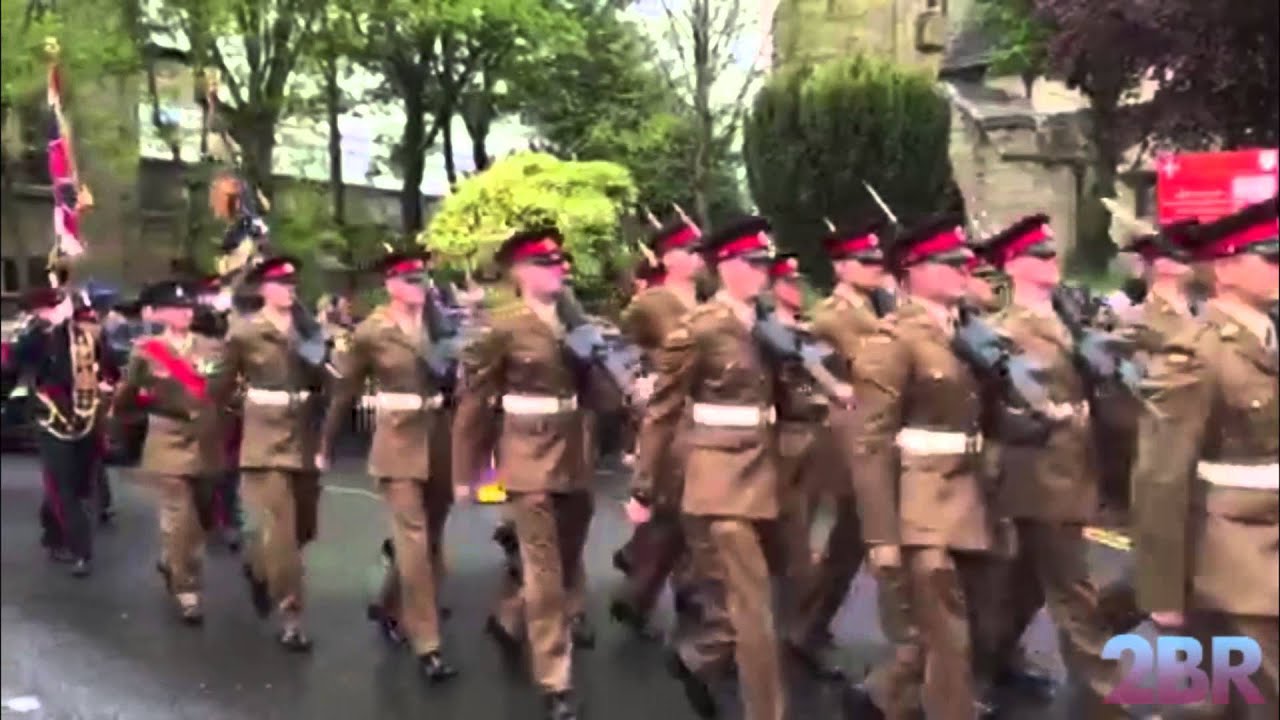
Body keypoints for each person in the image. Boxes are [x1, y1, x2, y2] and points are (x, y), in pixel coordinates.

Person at [632, 215, 786, 720]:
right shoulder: (697, 331)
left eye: (767, 261)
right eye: (754, 262)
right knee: (753, 608)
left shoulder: (767, 326)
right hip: (717, 478)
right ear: (725, 267)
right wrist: (644, 488)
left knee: (741, 604)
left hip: (765, 472)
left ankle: (699, 657)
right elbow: (662, 411)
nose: (765, 271)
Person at [973, 214, 1126, 718]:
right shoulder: (1007, 329)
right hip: (1039, 472)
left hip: (1074, 465)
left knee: (1022, 586)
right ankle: (1109, 695)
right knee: (1072, 588)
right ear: (1014, 265)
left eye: (1053, 253)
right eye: (1041, 255)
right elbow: (1001, 409)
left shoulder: (1065, 316)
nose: (1052, 261)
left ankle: (983, 664)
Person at [1133, 197, 1279, 717]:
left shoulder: (1268, 339)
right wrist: (1163, 594)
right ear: (1225, 268)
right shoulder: (1197, 352)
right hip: (1229, 559)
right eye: (1272, 255)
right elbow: (1159, 476)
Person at [845, 215, 994, 720]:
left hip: (972, 496)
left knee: (955, 630)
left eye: (964, 263)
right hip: (920, 501)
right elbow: (870, 441)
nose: (963, 271)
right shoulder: (894, 340)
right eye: (949, 263)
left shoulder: (970, 333)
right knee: (948, 636)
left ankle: (883, 696)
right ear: (912, 270)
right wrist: (881, 536)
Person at [451, 227, 603, 720]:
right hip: (527, 453)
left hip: (575, 450)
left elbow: (602, 394)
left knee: (570, 555)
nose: (556, 270)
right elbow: (474, 403)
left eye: (560, 262)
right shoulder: (503, 328)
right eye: (544, 264)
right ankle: (555, 679)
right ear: (520, 272)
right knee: (545, 572)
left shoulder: (577, 322)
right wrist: (464, 471)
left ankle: (510, 617)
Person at [317, 249, 458, 682]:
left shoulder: (439, 324)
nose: (421, 286)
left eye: (425, 278)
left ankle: (387, 603)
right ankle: (428, 644)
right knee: (413, 542)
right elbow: (344, 391)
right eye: (412, 280)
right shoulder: (372, 332)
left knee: (430, 537)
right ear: (392, 285)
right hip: (397, 441)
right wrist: (325, 444)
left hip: (440, 435)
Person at [789, 219, 888, 679]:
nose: (877, 266)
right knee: (859, 541)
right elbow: (871, 365)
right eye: (866, 260)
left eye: (878, 259)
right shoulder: (835, 314)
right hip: (852, 436)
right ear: (841, 266)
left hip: (877, 433)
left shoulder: (876, 306)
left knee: (849, 543)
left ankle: (808, 626)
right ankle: (808, 628)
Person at [215, 255, 327, 652]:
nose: (289, 290)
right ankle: (292, 615)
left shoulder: (307, 328)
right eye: (281, 284)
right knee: (280, 532)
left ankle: (259, 568)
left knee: (304, 531)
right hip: (265, 439)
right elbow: (220, 386)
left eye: (294, 284)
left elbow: (326, 379)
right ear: (263, 289)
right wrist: (215, 435)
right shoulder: (245, 332)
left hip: (304, 434)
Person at [610, 216, 705, 637]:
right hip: (670, 418)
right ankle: (641, 595)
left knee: (691, 515)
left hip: (704, 415)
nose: (699, 255)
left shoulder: (707, 299)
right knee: (674, 516)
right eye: (689, 249)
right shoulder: (652, 303)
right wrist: (637, 382)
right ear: (668, 257)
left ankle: (679, 592)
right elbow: (621, 349)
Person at [109, 280, 225, 624]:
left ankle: (172, 561)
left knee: (202, 518)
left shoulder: (213, 348)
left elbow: (224, 391)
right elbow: (129, 391)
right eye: (176, 308)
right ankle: (187, 588)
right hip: (168, 437)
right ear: (160, 313)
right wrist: (121, 421)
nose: (184, 313)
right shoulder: (148, 350)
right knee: (179, 518)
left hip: (204, 438)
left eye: (188, 307)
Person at [14, 283, 118, 577]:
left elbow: (108, 367)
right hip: (52, 418)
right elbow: (16, 367)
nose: (62, 310)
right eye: (55, 306)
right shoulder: (34, 338)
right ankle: (81, 550)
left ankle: (53, 533)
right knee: (64, 488)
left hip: (86, 415)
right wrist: (46, 334)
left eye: (63, 304)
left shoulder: (88, 335)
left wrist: (108, 384)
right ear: (42, 311)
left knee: (79, 484)